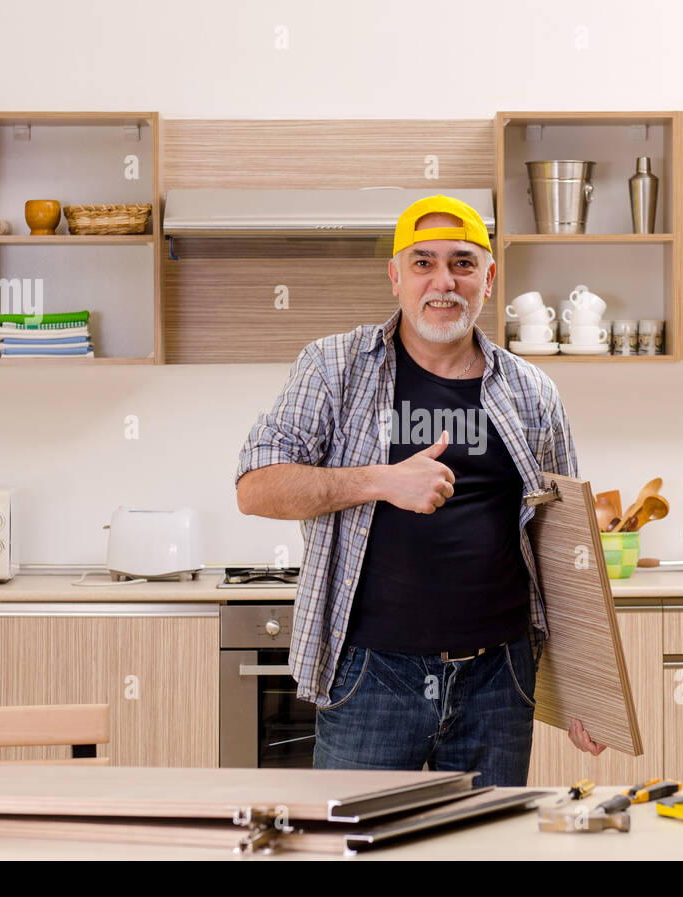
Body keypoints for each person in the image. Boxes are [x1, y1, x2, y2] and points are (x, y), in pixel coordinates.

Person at [236, 194, 605, 786]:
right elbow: (256, 488)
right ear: (395, 278)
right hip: (370, 675)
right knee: (355, 847)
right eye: (423, 263)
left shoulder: (532, 391)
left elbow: (565, 549)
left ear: (488, 279)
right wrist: (381, 480)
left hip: (500, 679)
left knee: (485, 848)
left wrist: (589, 685)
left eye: (462, 263)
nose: (444, 282)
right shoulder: (334, 367)